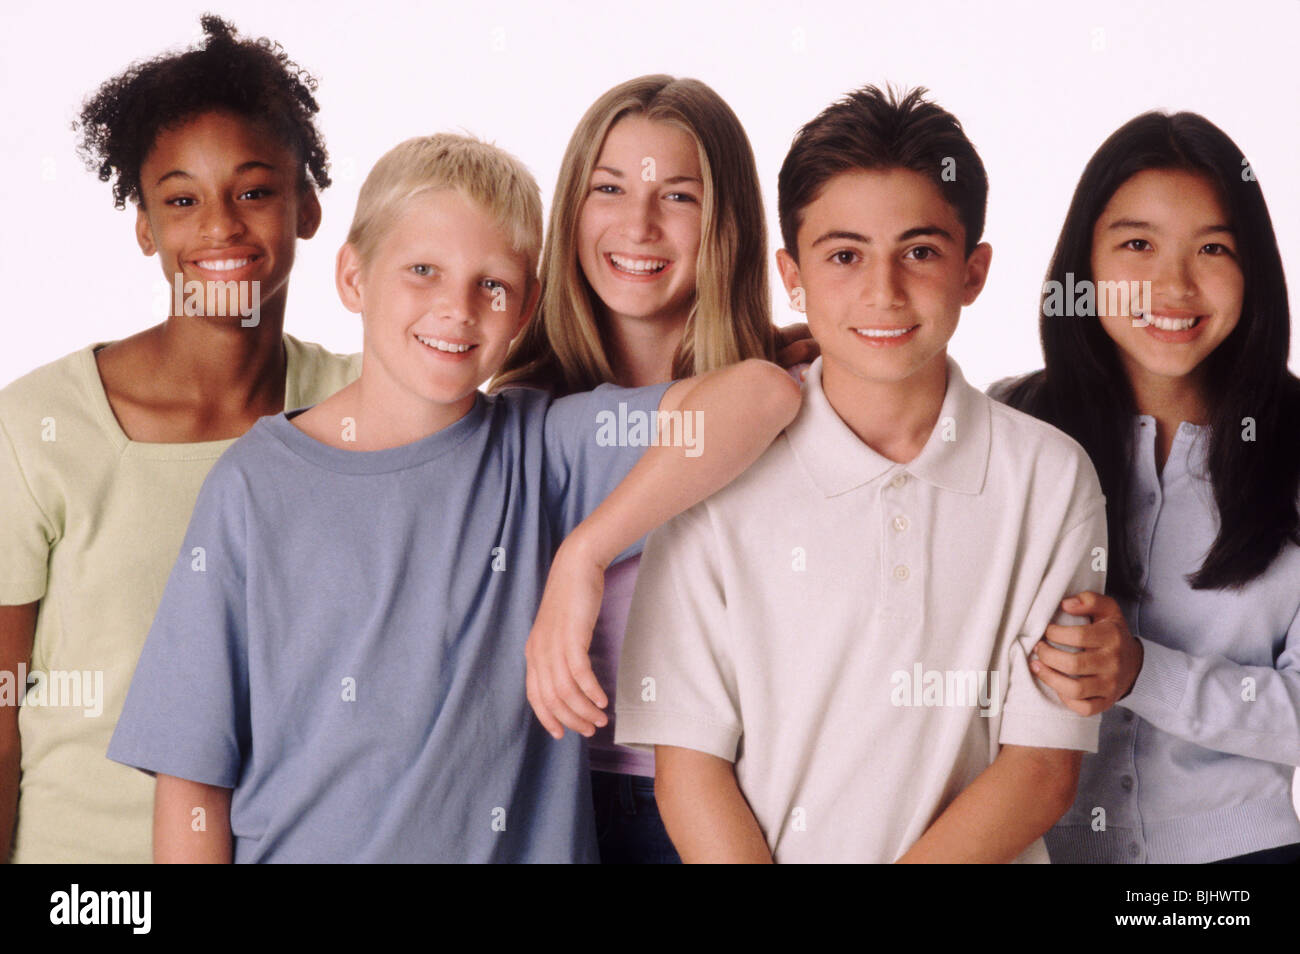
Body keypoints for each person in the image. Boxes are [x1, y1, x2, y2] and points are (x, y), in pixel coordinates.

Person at [106, 132, 801, 862]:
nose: (458, 309)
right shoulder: (251, 487)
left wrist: (583, 555)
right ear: (353, 277)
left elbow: (759, 394)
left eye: (491, 285)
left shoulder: (544, 448)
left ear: (527, 304)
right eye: (423, 271)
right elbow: (191, 779)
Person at [615, 85, 1107, 863]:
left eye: (920, 252)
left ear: (974, 271)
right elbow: (689, 766)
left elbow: (1042, 769)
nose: (883, 290)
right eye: (844, 255)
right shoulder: (718, 470)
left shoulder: (1049, 479)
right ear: (791, 274)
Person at [0, 15, 359, 863]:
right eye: (181, 200)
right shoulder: (36, 430)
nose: (221, 229)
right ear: (145, 228)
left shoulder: (364, 404)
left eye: (254, 190)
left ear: (305, 207)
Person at [492, 74, 815, 864]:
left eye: (678, 196)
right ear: (571, 209)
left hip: (731, 799)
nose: (637, 225)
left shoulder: (791, 390)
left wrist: (585, 553)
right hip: (548, 795)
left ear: (725, 224)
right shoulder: (522, 407)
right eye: (608, 188)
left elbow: (759, 396)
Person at [993, 111, 1300, 864]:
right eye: (1137, 244)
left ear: (1252, 268)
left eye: (1213, 248)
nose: (1173, 284)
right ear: (1083, 262)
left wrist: (1142, 673)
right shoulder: (1006, 422)